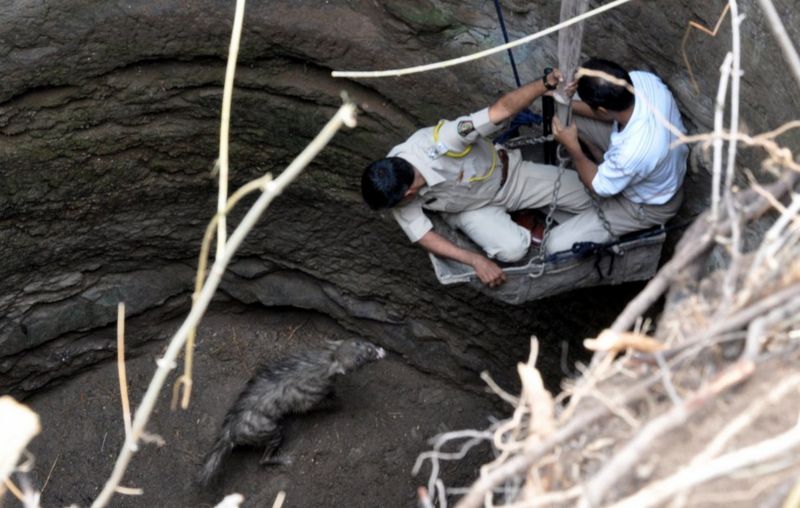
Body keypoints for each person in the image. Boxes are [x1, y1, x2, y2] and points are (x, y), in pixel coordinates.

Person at [361, 69, 594, 288]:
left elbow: (500, 111)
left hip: (509, 177)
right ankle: (527, 223)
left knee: (589, 196)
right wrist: (475, 260)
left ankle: (536, 217)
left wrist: (544, 84)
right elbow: (423, 236)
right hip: (469, 210)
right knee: (513, 251)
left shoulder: (444, 140)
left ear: (408, 194)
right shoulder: (392, 188)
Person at [549, 57, 688, 253]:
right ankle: (604, 165)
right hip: (649, 163)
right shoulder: (641, 80)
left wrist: (573, 147)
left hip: (647, 205)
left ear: (604, 109)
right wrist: (559, 96)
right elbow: (601, 113)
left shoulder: (634, 152)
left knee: (555, 244)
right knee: (568, 109)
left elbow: (597, 187)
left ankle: (613, 223)